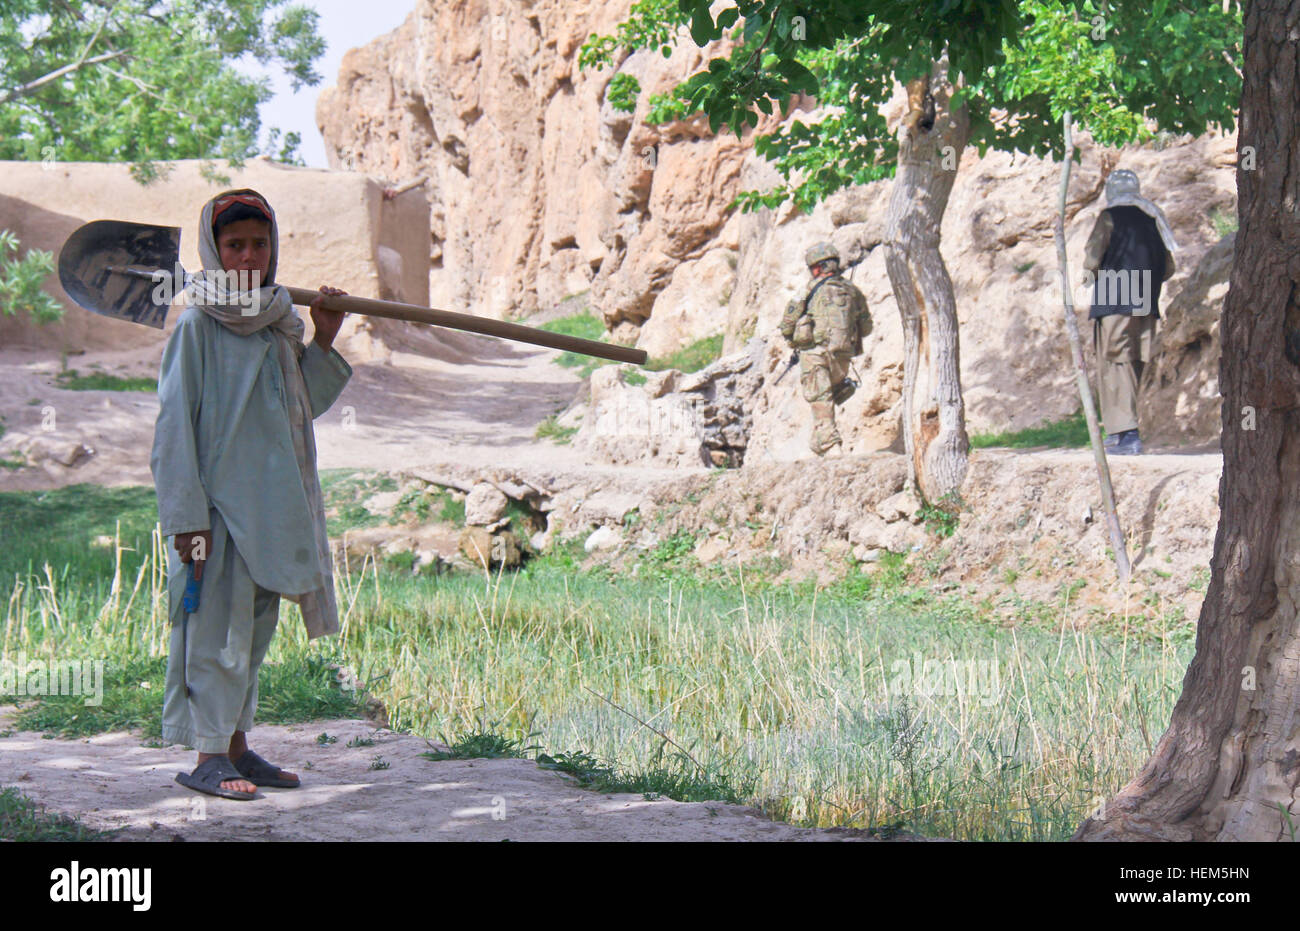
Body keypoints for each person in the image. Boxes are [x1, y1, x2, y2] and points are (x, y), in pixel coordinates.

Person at [151, 188, 352, 800]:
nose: (246, 257)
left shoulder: (277, 324)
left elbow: (298, 409)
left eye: (258, 245)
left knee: (254, 633)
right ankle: (209, 755)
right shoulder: (198, 326)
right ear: (214, 251)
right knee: (214, 633)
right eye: (233, 245)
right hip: (215, 514)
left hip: (270, 507)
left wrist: (321, 338)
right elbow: (173, 426)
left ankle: (237, 746)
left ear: (272, 250)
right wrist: (187, 518)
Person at [1082, 169, 1177, 456]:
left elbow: (1091, 259)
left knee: (1114, 362)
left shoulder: (1109, 218)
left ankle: (1125, 433)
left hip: (1114, 299)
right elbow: (1168, 267)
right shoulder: (1152, 219)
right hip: (1145, 301)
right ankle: (1125, 429)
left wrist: (1089, 281)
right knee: (1136, 360)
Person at [778, 242, 872, 456]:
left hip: (815, 353)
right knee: (827, 397)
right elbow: (866, 327)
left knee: (821, 399)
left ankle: (831, 446)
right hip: (843, 356)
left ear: (818, 268)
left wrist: (795, 341)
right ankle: (818, 442)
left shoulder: (808, 290)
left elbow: (787, 323)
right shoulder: (852, 291)